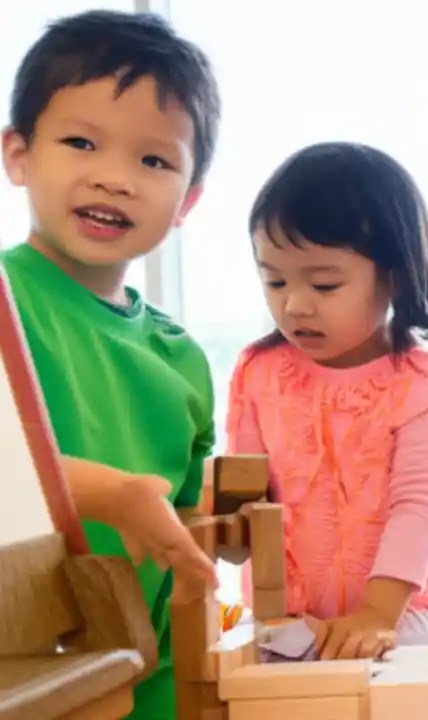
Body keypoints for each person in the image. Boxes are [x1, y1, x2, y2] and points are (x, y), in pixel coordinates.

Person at [1, 11, 222, 717]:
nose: (114, 178)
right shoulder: (6, 303)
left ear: (187, 199)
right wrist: (110, 493)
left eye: (154, 160)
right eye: (81, 142)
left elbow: (186, 539)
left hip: (145, 687)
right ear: (18, 155)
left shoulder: (182, 360)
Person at [225, 142, 428, 660]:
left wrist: (377, 616)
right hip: (289, 617)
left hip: (410, 610)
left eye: (325, 283)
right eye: (274, 280)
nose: (294, 304)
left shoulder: (421, 382)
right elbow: (243, 494)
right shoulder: (257, 372)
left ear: (395, 276)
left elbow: (419, 505)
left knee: (415, 676)